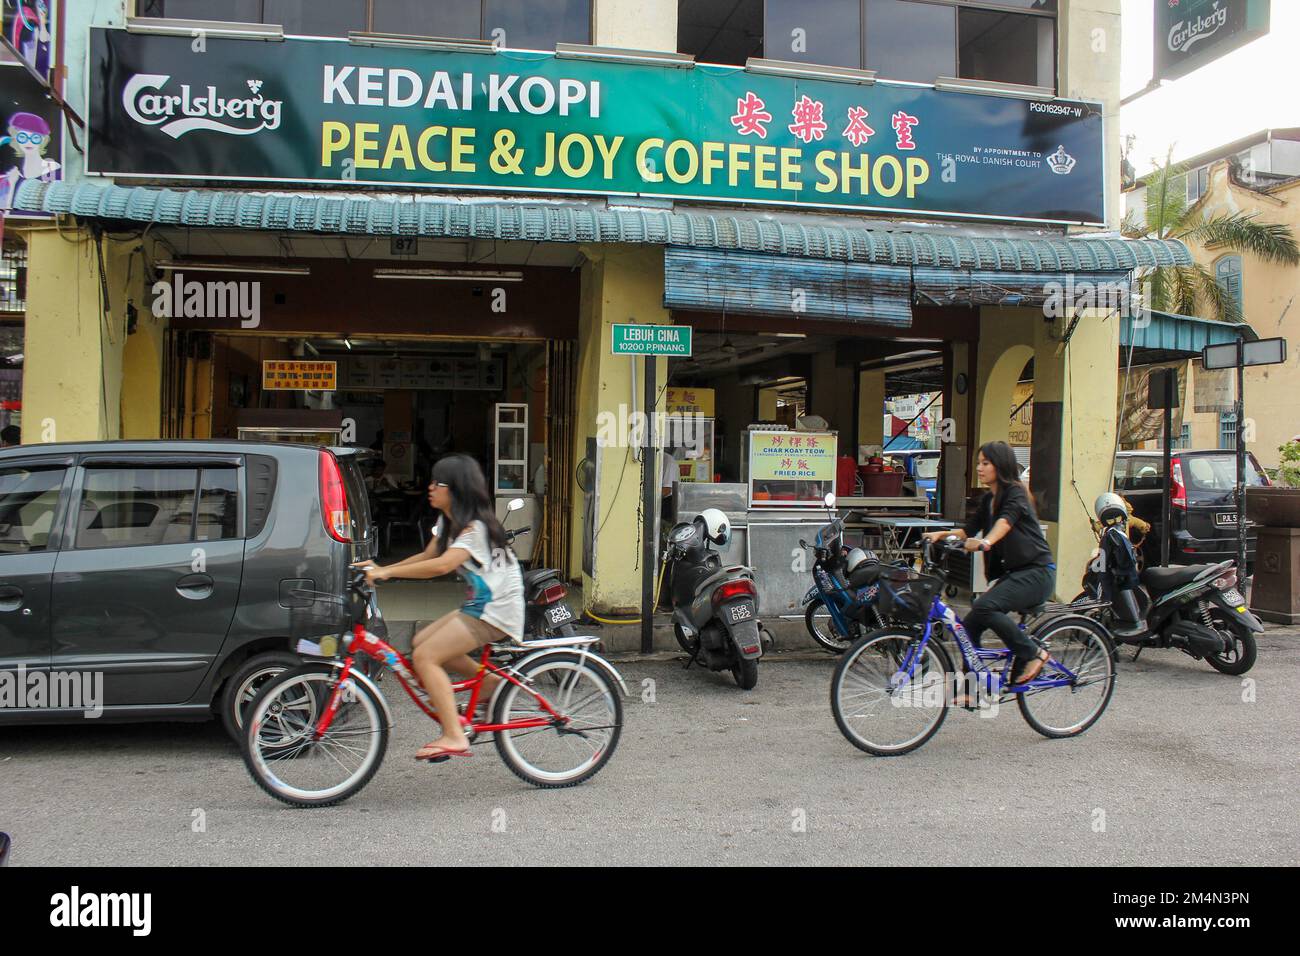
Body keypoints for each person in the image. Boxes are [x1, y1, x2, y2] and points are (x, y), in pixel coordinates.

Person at [355, 453, 524, 760]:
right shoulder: (449, 522)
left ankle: (454, 735)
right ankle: (490, 684)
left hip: (497, 609)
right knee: (419, 642)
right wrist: (382, 568)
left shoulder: (474, 529)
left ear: (455, 489)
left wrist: (386, 573)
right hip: (481, 606)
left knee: (427, 656)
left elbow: (441, 566)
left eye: (437, 482)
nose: (430, 487)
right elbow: (427, 557)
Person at [923, 440, 1055, 686]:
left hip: (1037, 574)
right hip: (1014, 576)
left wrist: (986, 543)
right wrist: (940, 535)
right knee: (969, 624)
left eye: (985, 463)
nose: (979, 468)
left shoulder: (1015, 493)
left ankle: (1034, 653)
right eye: (978, 463)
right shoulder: (987, 500)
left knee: (985, 606)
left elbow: (1005, 523)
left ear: (1000, 466)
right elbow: (968, 531)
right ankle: (971, 688)